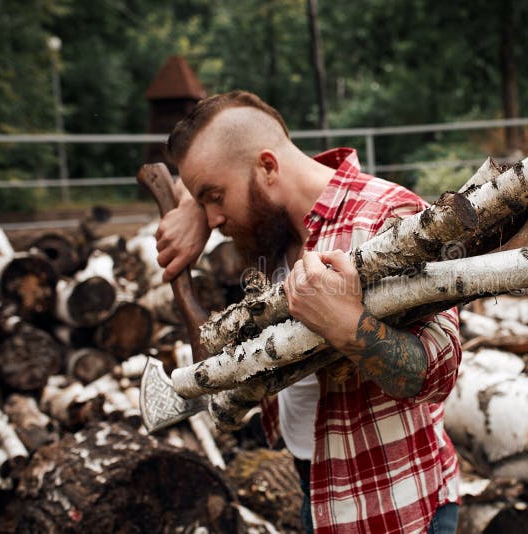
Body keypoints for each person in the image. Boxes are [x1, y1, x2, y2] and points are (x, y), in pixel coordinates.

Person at [155, 90, 462, 534]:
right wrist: (192, 207)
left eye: (215, 197)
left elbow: (439, 373)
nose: (214, 219)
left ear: (267, 167)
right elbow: (228, 134)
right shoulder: (269, 235)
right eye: (205, 202)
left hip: (396, 508)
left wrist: (345, 325)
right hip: (318, 494)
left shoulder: (386, 215)